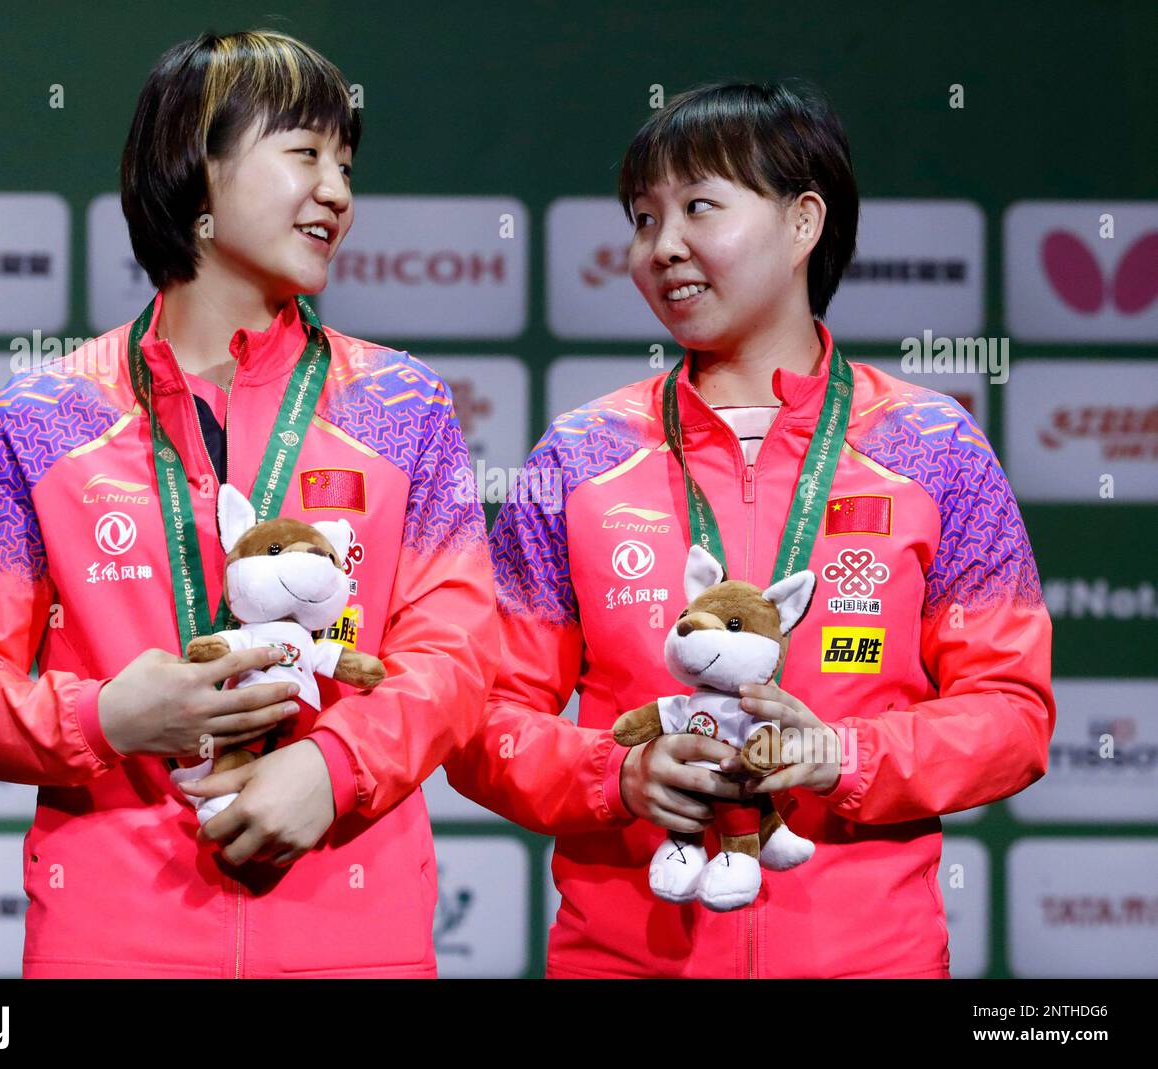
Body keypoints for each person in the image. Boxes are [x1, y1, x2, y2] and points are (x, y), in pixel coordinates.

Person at [0, 29, 498, 978]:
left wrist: (330, 766)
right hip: (112, 944)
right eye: (304, 153)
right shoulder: (40, 420)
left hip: (356, 938)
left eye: (346, 164)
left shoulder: (401, 405)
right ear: (196, 167)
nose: (338, 192)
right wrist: (104, 719)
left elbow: (459, 655)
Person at [443, 81, 1054, 978]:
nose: (664, 247)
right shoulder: (579, 456)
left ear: (805, 222)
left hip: (868, 959)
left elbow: (1014, 711)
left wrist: (843, 756)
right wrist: (618, 776)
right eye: (644, 219)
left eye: (698, 207)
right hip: (627, 958)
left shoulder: (932, 447)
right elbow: (483, 720)